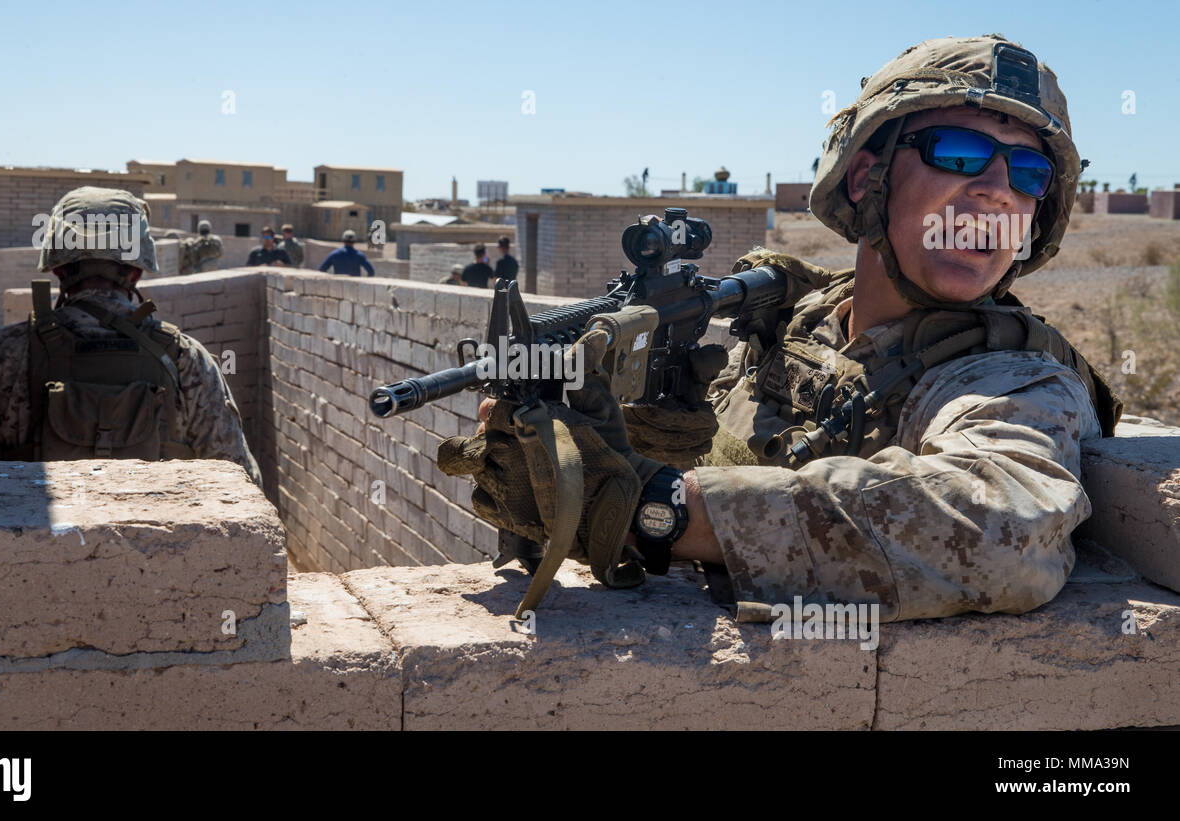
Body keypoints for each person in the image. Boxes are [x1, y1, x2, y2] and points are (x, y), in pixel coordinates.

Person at [438, 35, 1121, 624]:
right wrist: (606, 439)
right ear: (864, 178)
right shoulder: (801, 320)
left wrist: (659, 503)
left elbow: (1001, 534)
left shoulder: (1018, 377)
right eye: (961, 154)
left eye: (1029, 172)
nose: (999, 189)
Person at [0, 186, 263, 487]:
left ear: (58, 269)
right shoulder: (185, 359)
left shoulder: (2, 355)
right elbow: (240, 481)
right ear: (136, 270)